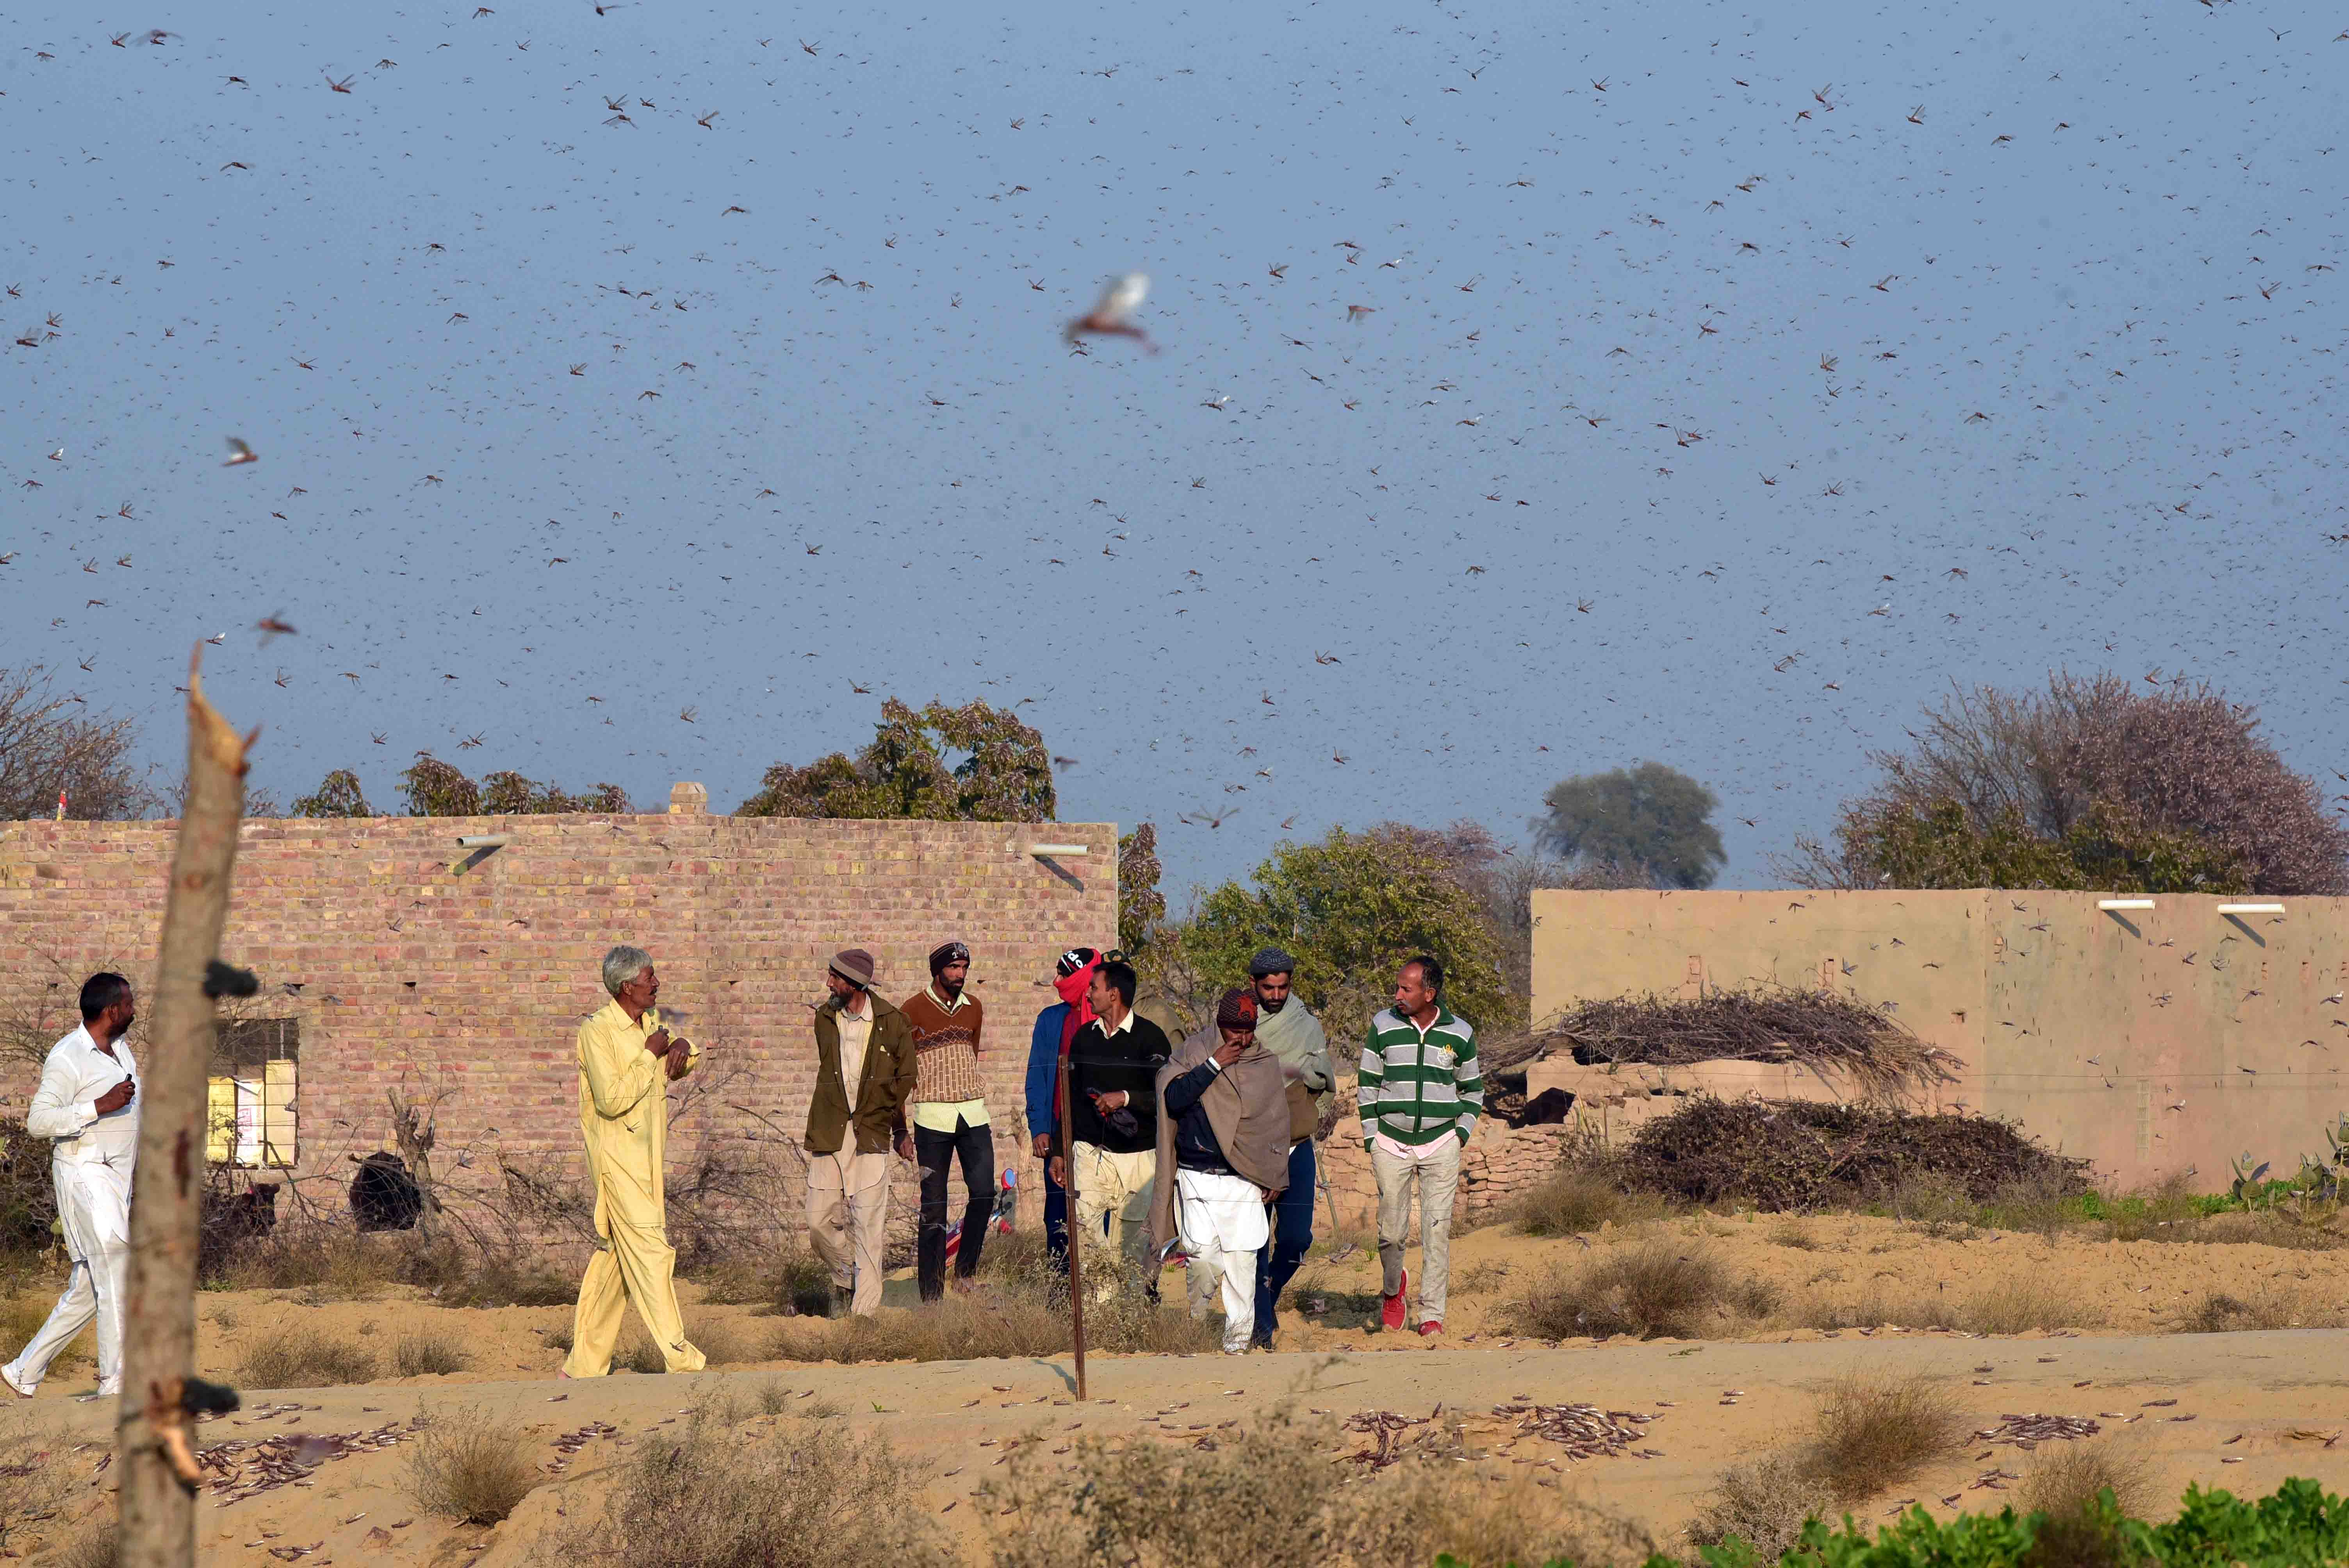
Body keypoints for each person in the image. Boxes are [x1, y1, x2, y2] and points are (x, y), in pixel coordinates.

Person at [563, 946, 706, 1377]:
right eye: (649, 977)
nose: (657, 983)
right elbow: (611, 1100)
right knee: (652, 1254)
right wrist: (649, 1054)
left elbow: (678, 1062)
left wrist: (682, 1047)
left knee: (617, 1265)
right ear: (627, 986)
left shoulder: (650, 1024)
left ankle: (582, 1367)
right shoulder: (598, 1031)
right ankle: (683, 1360)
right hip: (617, 1163)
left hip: (648, 1164)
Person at [3, 973, 140, 1401]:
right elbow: (39, 1121)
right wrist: (98, 1105)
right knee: (115, 1265)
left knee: (89, 1288)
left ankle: (23, 1371)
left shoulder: (121, 1049)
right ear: (111, 1010)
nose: (134, 1009)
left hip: (115, 1181)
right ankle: (116, 1384)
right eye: (129, 1003)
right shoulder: (68, 1056)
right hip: (84, 1173)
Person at [1148, 988, 1291, 1354]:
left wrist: (1274, 1174)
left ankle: (1237, 1345)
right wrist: (1213, 1065)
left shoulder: (1264, 1063)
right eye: (1234, 1032)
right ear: (1219, 1025)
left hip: (1244, 1179)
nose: (1241, 1040)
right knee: (1203, 1260)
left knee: (1243, 1264)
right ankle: (1198, 1320)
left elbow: (1275, 1125)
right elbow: (1173, 1099)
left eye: (1248, 1031)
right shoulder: (1194, 1052)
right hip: (1196, 1176)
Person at [1360, 955, 1482, 1338]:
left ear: (1429, 993)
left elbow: (1473, 1090)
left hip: (1441, 1142)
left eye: (1406, 989)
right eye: (1397, 987)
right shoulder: (1383, 1025)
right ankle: (1393, 1289)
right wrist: (1371, 1137)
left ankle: (1432, 1316)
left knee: (1436, 1231)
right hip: (1390, 1142)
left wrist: (1459, 1134)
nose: (1397, 995)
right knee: (1391, 1234)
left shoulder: (1460, 1033)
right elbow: (1367, 1083)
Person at [806, 948, 915, 1317]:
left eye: (835, 978)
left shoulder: (893, 1022)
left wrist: (888, 1113)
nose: (828, 983)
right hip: (830, 1129)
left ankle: (864, 1312)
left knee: (869, 1223)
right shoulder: (824, 1018)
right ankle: (845, 1276)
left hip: (872, 1131)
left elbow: (907, 1075)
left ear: (853, 984)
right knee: (818, 1221)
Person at [1052, 959, 1168, 1297]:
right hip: (1091, 1152)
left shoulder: (1151, 1038)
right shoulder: (1083, 1039)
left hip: (1139, 1158)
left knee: (1132, 1245)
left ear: (1114, 994)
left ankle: (1127, 1313)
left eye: (1094, 988)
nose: (1088, 994)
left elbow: (1166, 1097)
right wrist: (1060, 1151)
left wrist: (1126, 1098)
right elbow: (1070, 1099)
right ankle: (1097, 1311)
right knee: (1083, 1229)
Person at [1243, 947, 1333, 1350]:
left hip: (1297, 1146)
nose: (1276, 995)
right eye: (1269, 988)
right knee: (1256, 1241)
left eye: (1283, 987)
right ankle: (1261, 1330)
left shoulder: (1306, 1024)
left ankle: (1268, 1293)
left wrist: (1305, 1111)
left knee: (1297, 1241)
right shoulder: (1240, 1022)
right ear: (1254, 984)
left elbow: (1322, 1078)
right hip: (1251, 1148)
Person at [899, 940, 993, 1300]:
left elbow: (972, 1054)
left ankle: (965, 1274)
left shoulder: (974, 1008)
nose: (960, 974)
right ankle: (931, 1295)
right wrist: (900, 1129)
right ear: (937, 970)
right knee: (934, 1207)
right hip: (932, 1119)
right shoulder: (912, 1010)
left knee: (984, 1193)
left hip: (973, 1115)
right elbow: (901, 1072)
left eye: (964, 968)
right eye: (954, 968)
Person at [1024, 947, 1103, 1267]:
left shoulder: (1106, 1021)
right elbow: (1038, 1077)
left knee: (1097, 1212)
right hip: (1059, 1131)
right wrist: (1040, 1128)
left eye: (1065, 975)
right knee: (1057, 1215)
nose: (1058, 981)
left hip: (1100, 1133)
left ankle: (1097, 1282)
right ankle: (1059, 1286)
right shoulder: (1051, 1019)